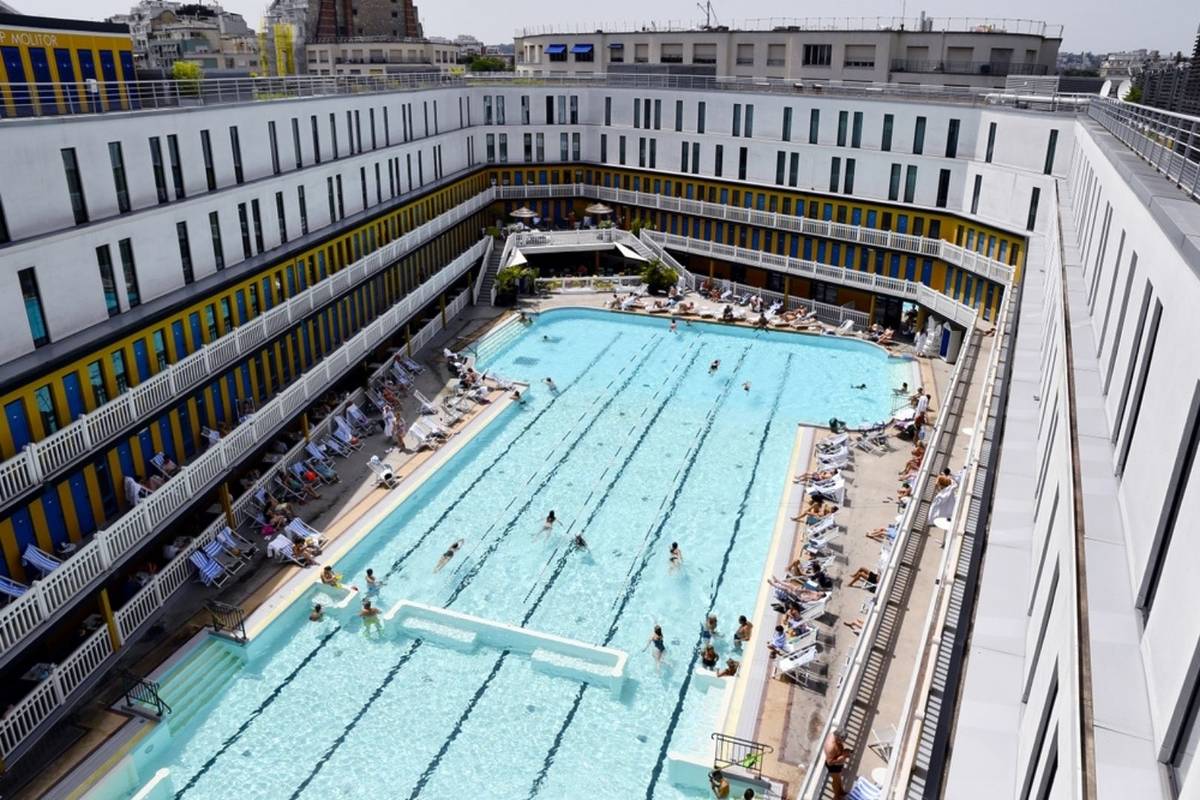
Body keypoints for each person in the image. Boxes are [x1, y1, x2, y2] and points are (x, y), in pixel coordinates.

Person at [824, 729, 852, 799]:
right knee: (836, 781)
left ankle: (841, 792)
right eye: (841, 741)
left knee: (839, 779)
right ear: (837, 737)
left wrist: (845, 752)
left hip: (838, 763)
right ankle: (836, 797)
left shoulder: (835, 735)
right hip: (833, 766)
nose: (842, 742)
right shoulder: (831, 747)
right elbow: (829, 762)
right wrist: (842, 757)